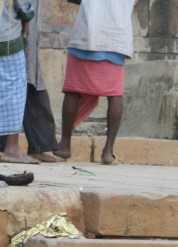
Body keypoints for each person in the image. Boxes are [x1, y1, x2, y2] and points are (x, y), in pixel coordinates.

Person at [54, 0, 138, 165]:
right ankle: (108, 151)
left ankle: (65, 145)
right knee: (114, 94)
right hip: (116, 38)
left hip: (87, 34)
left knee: (73, 90)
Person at [0, 13, 63, 163]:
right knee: (13, 88)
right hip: (10, 34)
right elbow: (24, 7)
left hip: (18, 33)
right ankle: (5, 147)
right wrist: (26, 16)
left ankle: (38, 146)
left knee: (29, 84)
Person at [0, 0, 39, 164]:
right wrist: (27, 16)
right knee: (14, 93)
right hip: (7, 37)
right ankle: (12, 147)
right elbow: (23, 5)